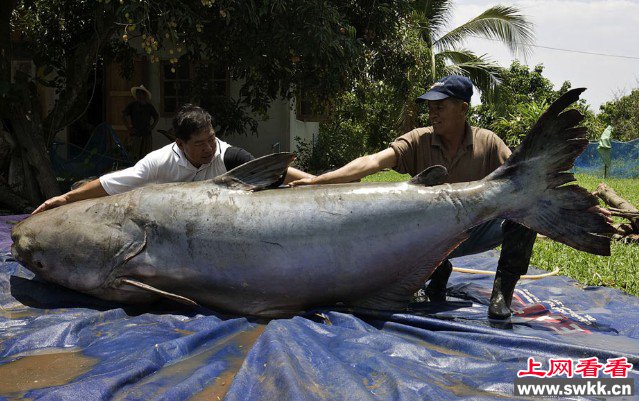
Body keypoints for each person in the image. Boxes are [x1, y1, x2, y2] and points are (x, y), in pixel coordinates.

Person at [290, 75, 538, 319]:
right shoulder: (419, 140)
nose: (432, 114)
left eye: (439, 107)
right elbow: (373, 161)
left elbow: (520, 176)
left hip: (474, 229)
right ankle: (434, 270)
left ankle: (502, 293)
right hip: (426, 237)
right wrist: (318, 180)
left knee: (525, 212)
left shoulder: (489, 142)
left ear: (463, 108)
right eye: (430, 108)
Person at [34, 104, 313, 214]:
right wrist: (66, 199)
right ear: (179, 143)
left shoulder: (227, 156)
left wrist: (318, 182)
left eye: (212, 139)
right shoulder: (157, 163)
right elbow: (110, 184)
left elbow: (274, 171)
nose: (209, 148)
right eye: (200, 143)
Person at [123, 84, 159, 161]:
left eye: (140, 93)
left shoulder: (149, 106)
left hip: (146, 133)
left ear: (144, 95)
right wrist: (129, 128)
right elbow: (124, 116)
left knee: (146, 156)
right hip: (136, 133)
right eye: (137, 93)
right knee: (134, 155)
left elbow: (156, 117)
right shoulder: (132, 105)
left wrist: (152, 127)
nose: (138, 95)